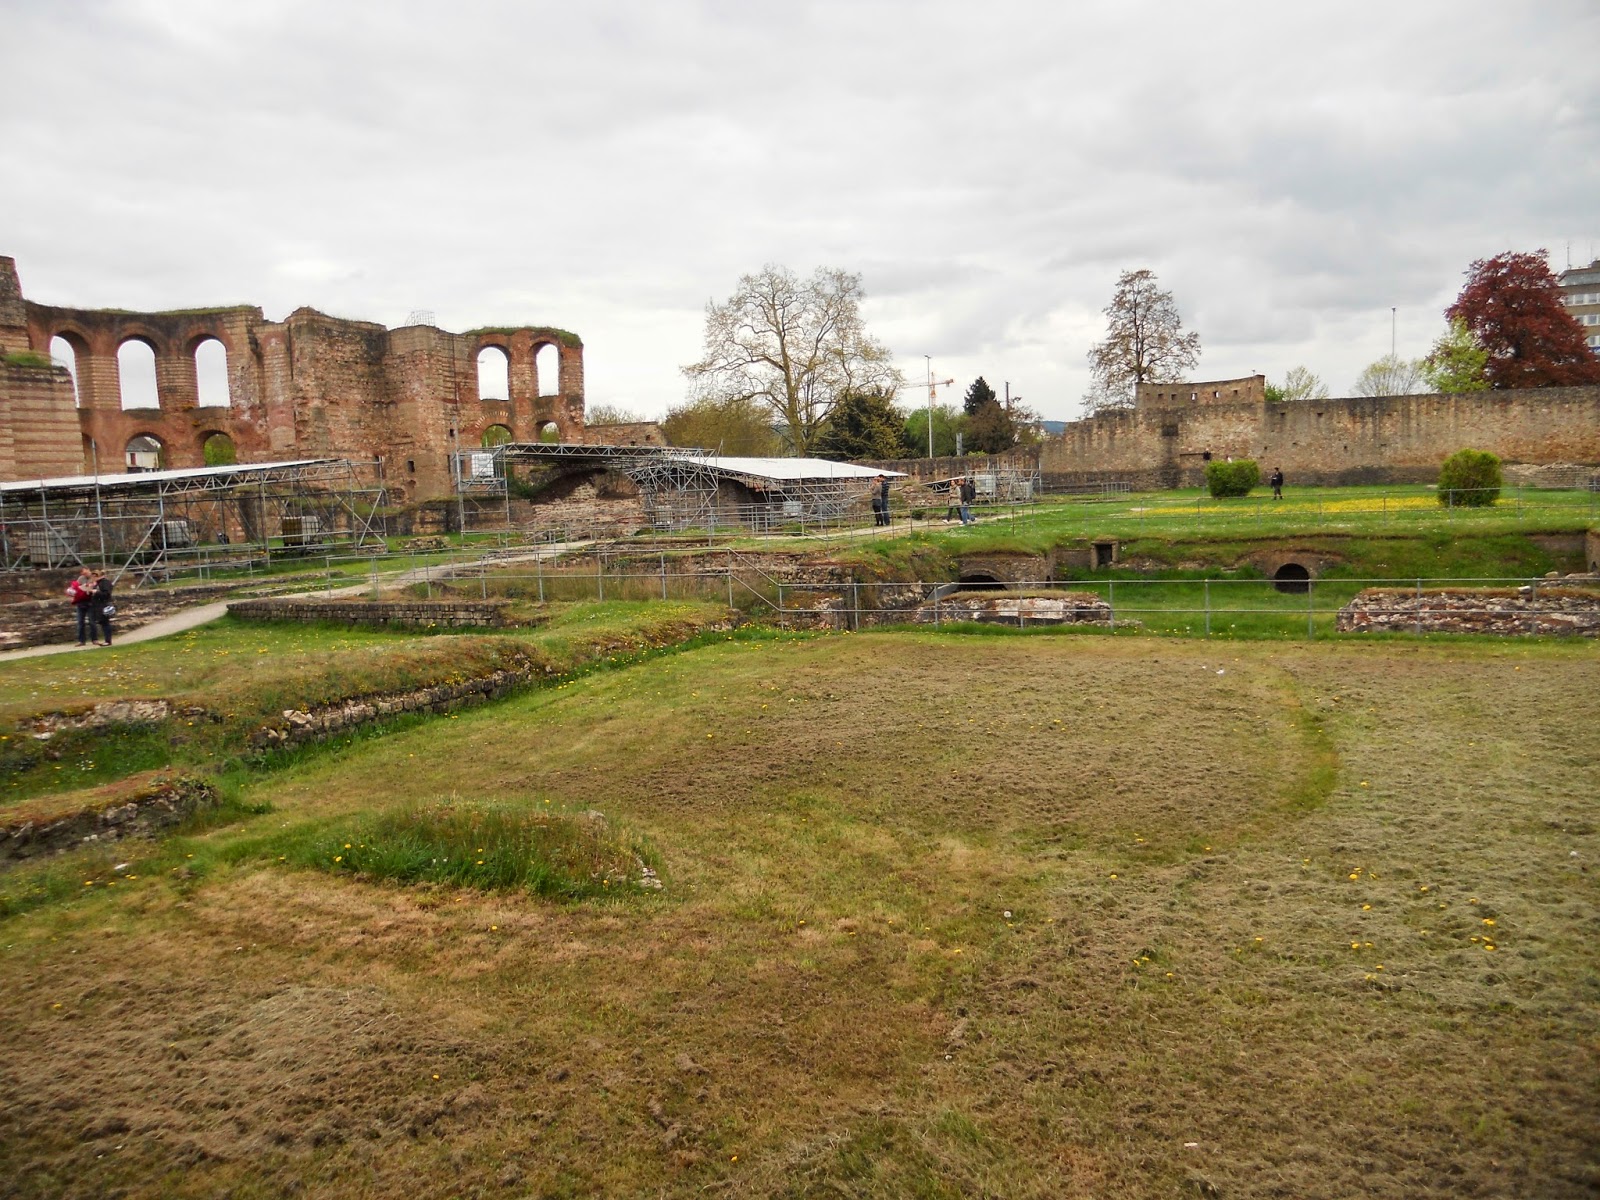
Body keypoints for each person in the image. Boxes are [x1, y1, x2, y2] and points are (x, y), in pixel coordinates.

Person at [67, 567, 95, 645]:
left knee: (92, 621)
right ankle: (81, 640)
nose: (85, 575)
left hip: (90, 601)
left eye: (86, 573)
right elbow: (76, 587)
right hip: (81, 602)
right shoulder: (80, 578)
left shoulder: (93, 577)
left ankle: (94, 639)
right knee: (80, 622)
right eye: (83, 573)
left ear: (89, 570)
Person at [88, 571, 114, 646]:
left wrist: (96, 592)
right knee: (102, 622)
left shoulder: (105, 583)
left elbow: (106, 594)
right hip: (97, 605)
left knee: (105, 622)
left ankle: (108, 640)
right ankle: (107, 640)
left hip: (104, 605)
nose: (93, 578)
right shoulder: (97, 583)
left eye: (94, 576)